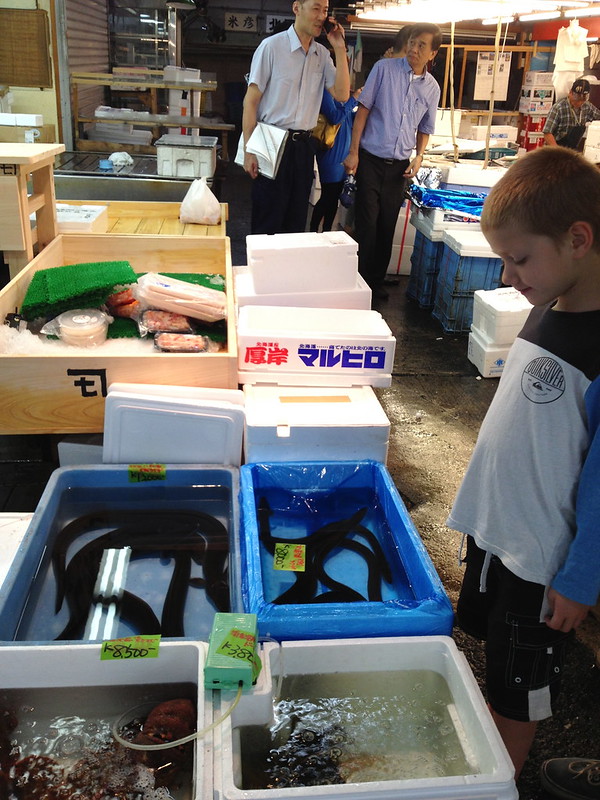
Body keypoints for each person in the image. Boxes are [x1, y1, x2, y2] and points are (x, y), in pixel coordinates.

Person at [446, 146, 600, 780]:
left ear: (578, 239)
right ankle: (485, 755)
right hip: (499, 535)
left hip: (542, 562)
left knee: (521, 683)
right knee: (495, 654)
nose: (509, 276)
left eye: (519, 258)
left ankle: (497, 783)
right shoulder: (550, 301)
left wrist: (580, 578)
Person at [343, 23, 441, 300]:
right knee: (367, 223)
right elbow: (363, 111)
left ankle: (374, 283)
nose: (414, 48)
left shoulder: (431, 88)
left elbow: (425, 127)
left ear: (432, 53)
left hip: (400, 167)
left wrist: (419, 156)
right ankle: (358, 283)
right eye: (412, 42)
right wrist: (354, 152)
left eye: (422, 45)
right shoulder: (384, 70)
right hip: (371, 160)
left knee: (388, 225)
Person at [241, 0, 350, 235]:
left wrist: (339, 49)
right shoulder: (271, 47)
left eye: (325, 10)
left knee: (295, 221)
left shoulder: (322, 54)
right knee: (267, 218)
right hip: (270, 141)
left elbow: (342, 94)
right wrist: (250, 149)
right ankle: (262, 271)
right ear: (296, 8)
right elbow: (250, 101)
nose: (322, 16)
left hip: (303, 146)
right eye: (316, 8)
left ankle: (288, 272)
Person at [310, 87, 361, 233]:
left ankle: (326, 231)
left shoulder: (342, 95)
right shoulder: (325, 93)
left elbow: (349, 118)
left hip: (344, 152)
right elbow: (335, 117)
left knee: (334, 196)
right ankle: (313, 231)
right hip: (331, 150)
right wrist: (354, 99)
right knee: (328, 195)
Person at [543, 78, 600, 150]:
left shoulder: (587, 106)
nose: (579, 103)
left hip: (573, 149)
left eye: (582, 100)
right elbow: (547, 133)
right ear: (570, 93)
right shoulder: (558, 107)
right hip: (555, 149)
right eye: (576, 99)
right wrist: (557, 151)